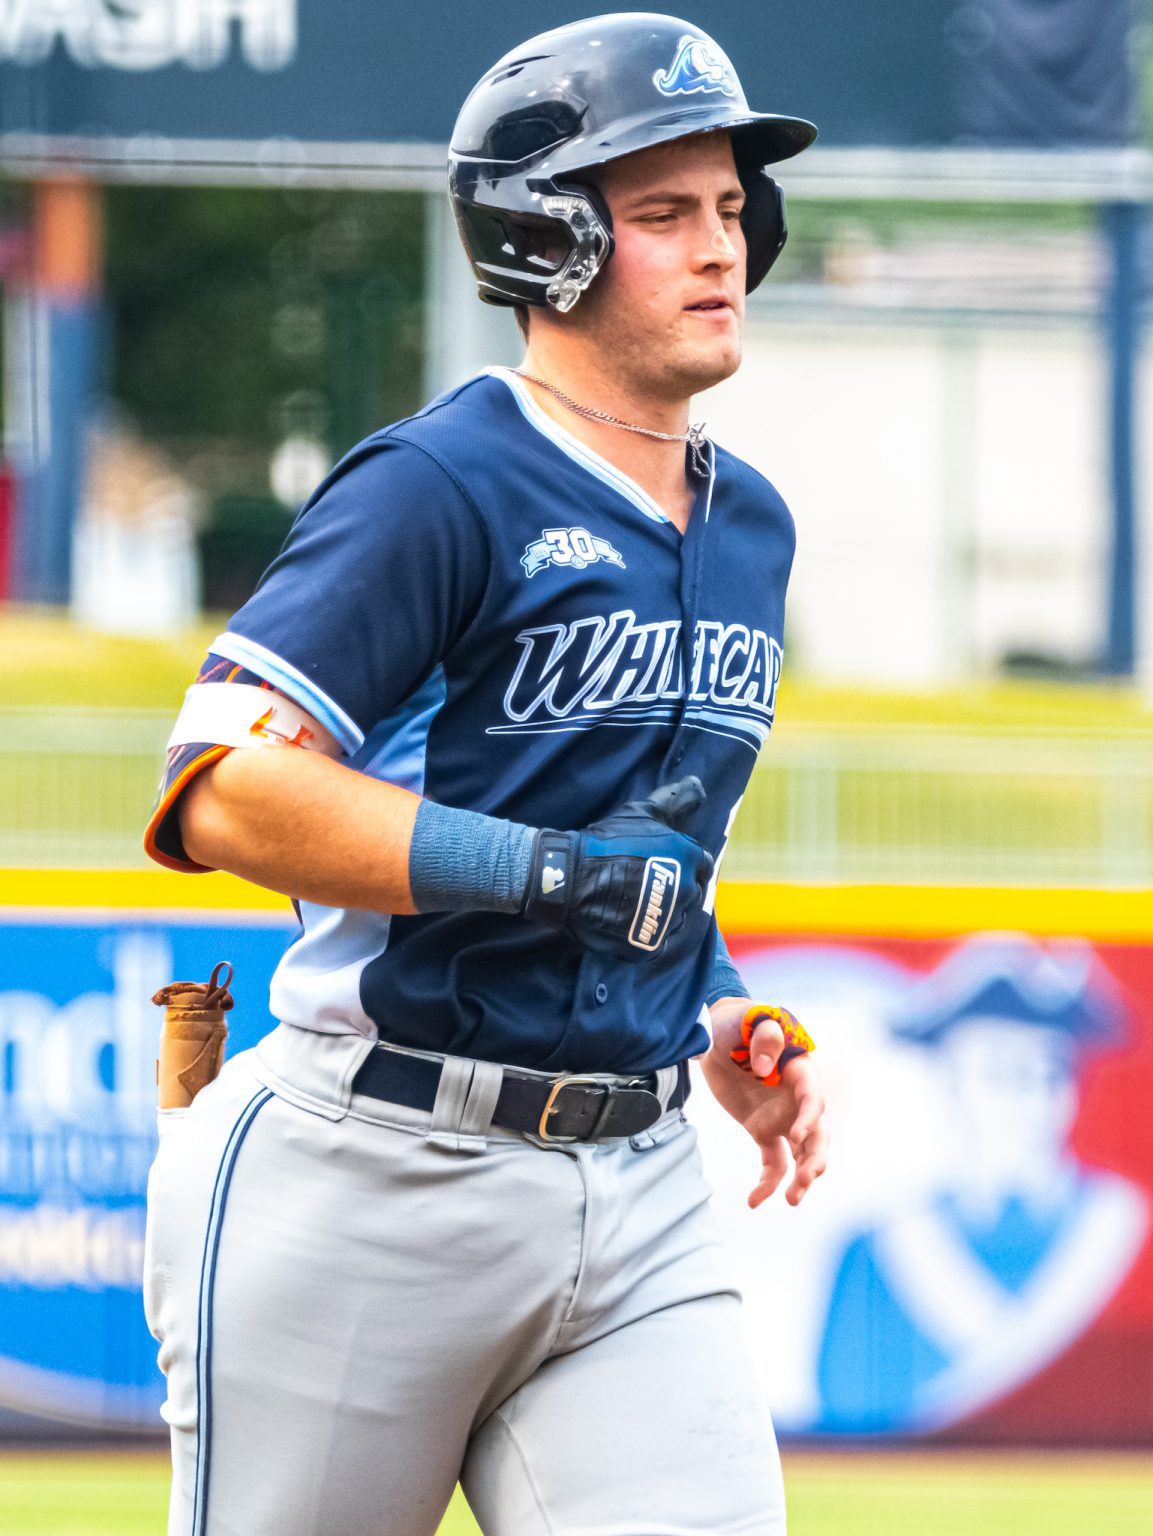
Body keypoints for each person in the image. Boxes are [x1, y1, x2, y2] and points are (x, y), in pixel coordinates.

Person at [142, 14, 828, 1535]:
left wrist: (712, 1001)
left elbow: (645, 832)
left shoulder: (752, 524)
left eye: (731, 208)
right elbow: (220, 788)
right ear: (545, 240)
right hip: (371, 1171)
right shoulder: (439, 484)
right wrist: (546, 876)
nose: (720, 245)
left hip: (640, 1183)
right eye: (664, 213)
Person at [814, 935, 1146, 1434]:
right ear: (950, 1087)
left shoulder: (1115, 1223)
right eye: (997, 1074)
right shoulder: (880, 1252)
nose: (1028, 1100)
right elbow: (842, 1420)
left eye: (1049, 1074)